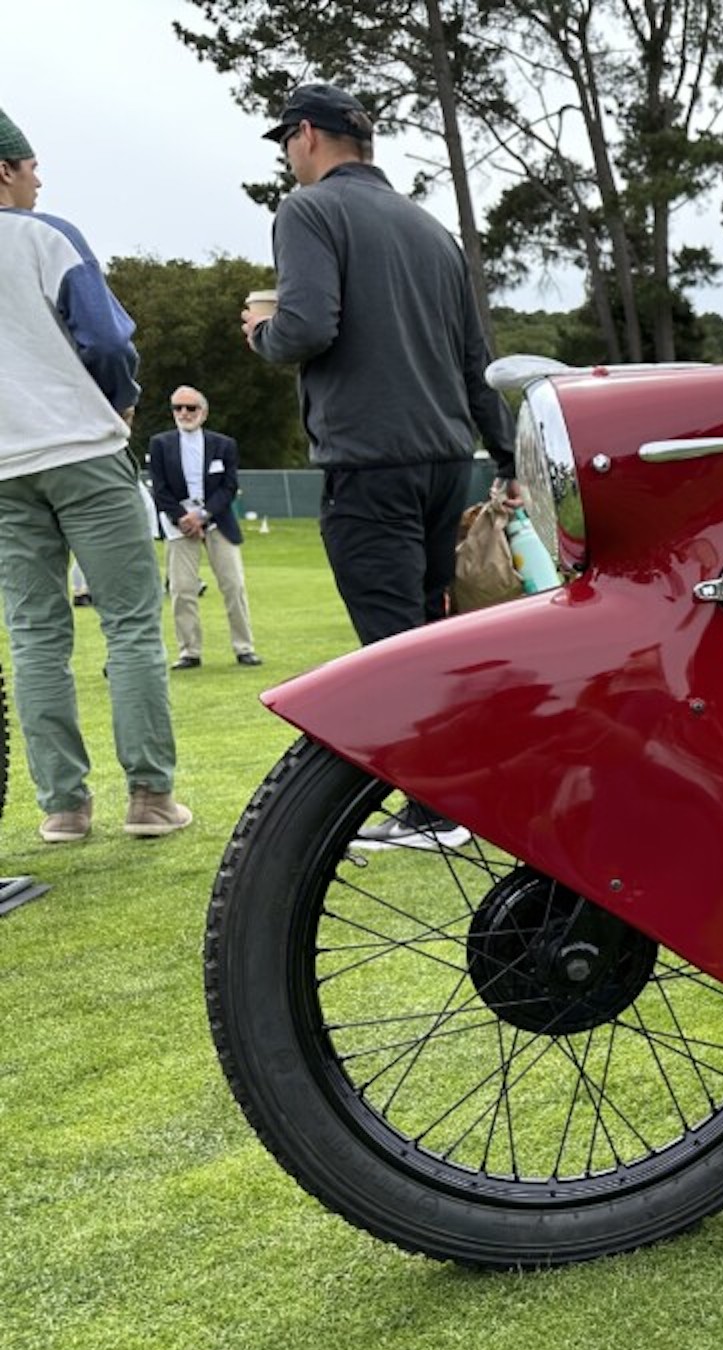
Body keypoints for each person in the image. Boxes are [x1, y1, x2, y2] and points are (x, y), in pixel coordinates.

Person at [246, 83, 517, 848]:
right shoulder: (431, 230)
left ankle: (435, 810)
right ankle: (460, 795)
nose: (287, 156)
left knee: (393, 647)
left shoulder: (308, 211)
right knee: (427, 632)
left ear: (306, 134)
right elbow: (475, 360)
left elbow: (306, 327)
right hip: (447, 461)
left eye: (285, 141)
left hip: (370, 462)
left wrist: (262, 332)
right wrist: (505, 454)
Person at [0, 107, 191, 842]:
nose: (39, 180)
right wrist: (120, 402)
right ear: (5, 169)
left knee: (35, 636)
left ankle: (63, 807)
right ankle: (149, 797)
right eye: (32, 166)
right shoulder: (48, 235)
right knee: (131, 625)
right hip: (82, 450)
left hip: (6, 472)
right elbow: (108, 341)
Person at [147, 386, 261, 669]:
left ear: (204, 412)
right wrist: (182, 518)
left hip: (217, 521)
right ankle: (189, 651)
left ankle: (244, 647)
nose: (184, 413)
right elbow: (159, 488)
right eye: (178, 408)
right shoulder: (160, 444)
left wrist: (204, 515)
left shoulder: (223, 445)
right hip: (179, 525)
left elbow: (229, 487)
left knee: (233, 585)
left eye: (191, 408)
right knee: (182, 589)